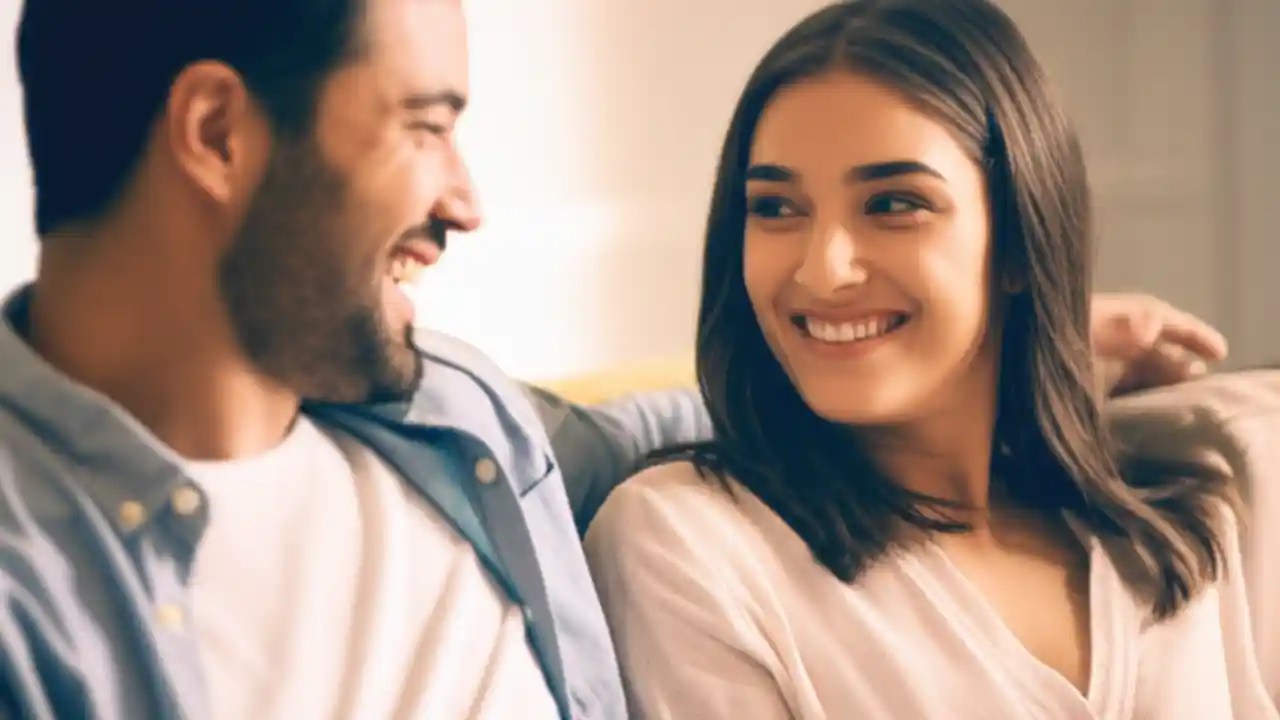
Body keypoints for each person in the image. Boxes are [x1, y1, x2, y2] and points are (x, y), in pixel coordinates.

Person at [0, 0, 1233, 719]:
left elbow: (693, 410)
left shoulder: (460, 429)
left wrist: (1005, 341)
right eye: (425, 127)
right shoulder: (33, 591)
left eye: (896, 204)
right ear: (216, 134)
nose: (468, 201)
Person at [583, 1, 1278, 718]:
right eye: (776, 208)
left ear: (1016, 240)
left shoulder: (1186, 536)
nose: (823, 270)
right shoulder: (688, 545)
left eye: (892, 204)